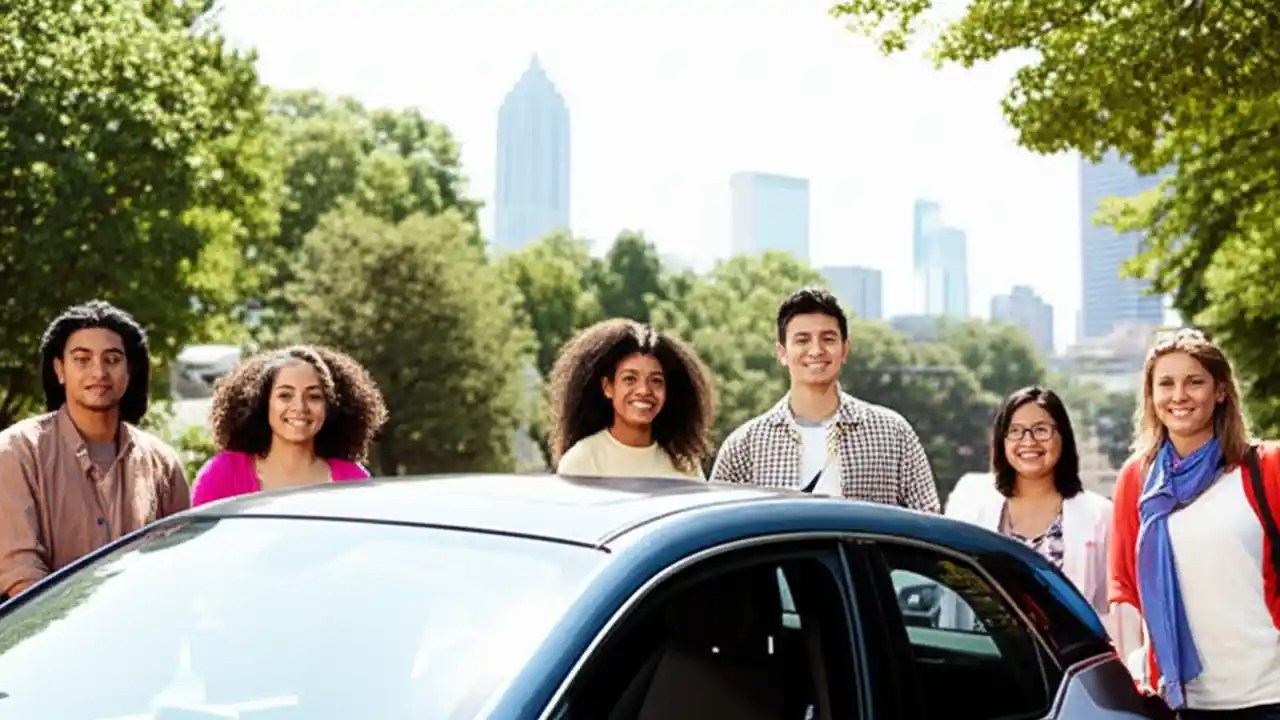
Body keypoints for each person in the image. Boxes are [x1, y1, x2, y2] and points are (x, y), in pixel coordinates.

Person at [1110, 329, 1280, 717]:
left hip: (1270, 693)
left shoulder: (1266, 467)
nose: (1179, 395)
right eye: (1165, 383)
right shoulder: (1137, 480)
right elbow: (1124, 589)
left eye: (1195, 382)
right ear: (1151, 396)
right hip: (1181, 702)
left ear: (1220, 391)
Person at [0, 300, 190, 600]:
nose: (98, 371)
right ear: (59, 370)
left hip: (143, 630)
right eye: (82, 359)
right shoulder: (17, 452)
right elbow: (19, 572)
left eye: (112, 359)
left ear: (129, 371)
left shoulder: (161, 463)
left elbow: (179, 564)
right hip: (46, 637)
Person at [710, 288, 939, 512]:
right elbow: (714, 530)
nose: (816, 350)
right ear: (782, 353)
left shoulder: (892, 433)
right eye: (802, 340)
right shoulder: (745, 446)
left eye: (828, 339)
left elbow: (930, 522)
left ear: (845, 349)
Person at [944, 387, 1116, 634]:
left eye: (1041, 430)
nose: (1028, 441)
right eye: (1015, 431)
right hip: (985, 658)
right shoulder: (971, 507)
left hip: (1070, 663)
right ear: (1001, 440)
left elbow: (1113, 609)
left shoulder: (1100, 515)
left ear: (1063, 438)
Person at [191, 345, 388, 506]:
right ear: (263, 403)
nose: (300, 407)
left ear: (329, 407)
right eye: (285, 395)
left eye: (314, 397)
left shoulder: (353, 481)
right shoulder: (223, 474)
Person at [549, 319, 714, 479]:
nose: (644, 390)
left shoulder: (683, 464)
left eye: (656, 381)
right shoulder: (583, 462)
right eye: (630, 379)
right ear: (608, 387)